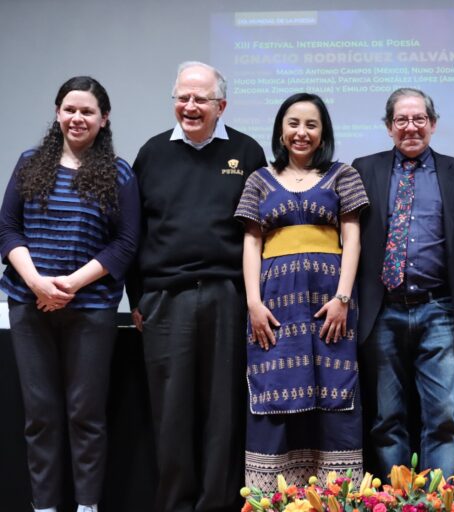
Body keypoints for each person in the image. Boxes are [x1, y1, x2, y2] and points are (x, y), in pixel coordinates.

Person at [127, 61, 267, 512]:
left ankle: (218, 504)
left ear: (220, 105)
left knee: (222, 412)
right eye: (182, 98)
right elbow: (133, 234)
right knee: (170, 413)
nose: (190, 106)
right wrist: (136, 298)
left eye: (200, 99)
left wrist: (253, 299)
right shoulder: (150, 154)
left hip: (228, 297)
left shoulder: (246, 152)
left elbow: (258, 236)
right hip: (165, 299)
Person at [0, 76, 140, 512]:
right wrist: (38, 282)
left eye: (87, 112)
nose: (77, 118)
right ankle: (44, 506)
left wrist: (72, 284)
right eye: (70, 109)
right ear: (58, 113)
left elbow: (126, 242)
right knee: (40, 418)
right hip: (29, 305)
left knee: (86, 417)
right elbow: (7, 229)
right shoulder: (29, 164)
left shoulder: (118, 173)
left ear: (104, 119)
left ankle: (86, 506)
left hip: (91, 311)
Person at [235, 93, 368, 489]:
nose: (301, 132)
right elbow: (251, 244)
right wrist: (253, 303)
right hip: (273, 308)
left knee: (335, 391)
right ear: (280, 128)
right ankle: (272, 496)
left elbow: (353, 238)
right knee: (273, 389)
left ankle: (333, 496)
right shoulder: (258, 179)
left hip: (330, 306)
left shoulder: (344, 175)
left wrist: (343, 298)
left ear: (322, 131)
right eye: (293, 123)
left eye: (311, 125)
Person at [353, 88, 454, 477]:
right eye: (402, 120)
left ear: (434, 124)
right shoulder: (363, 169)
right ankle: (398, 498)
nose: (411, 128)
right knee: (387, 417)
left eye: (419, 119)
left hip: (438, 307)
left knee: (443, 416)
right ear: (389, 127)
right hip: (383, 309)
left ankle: (435, 499)